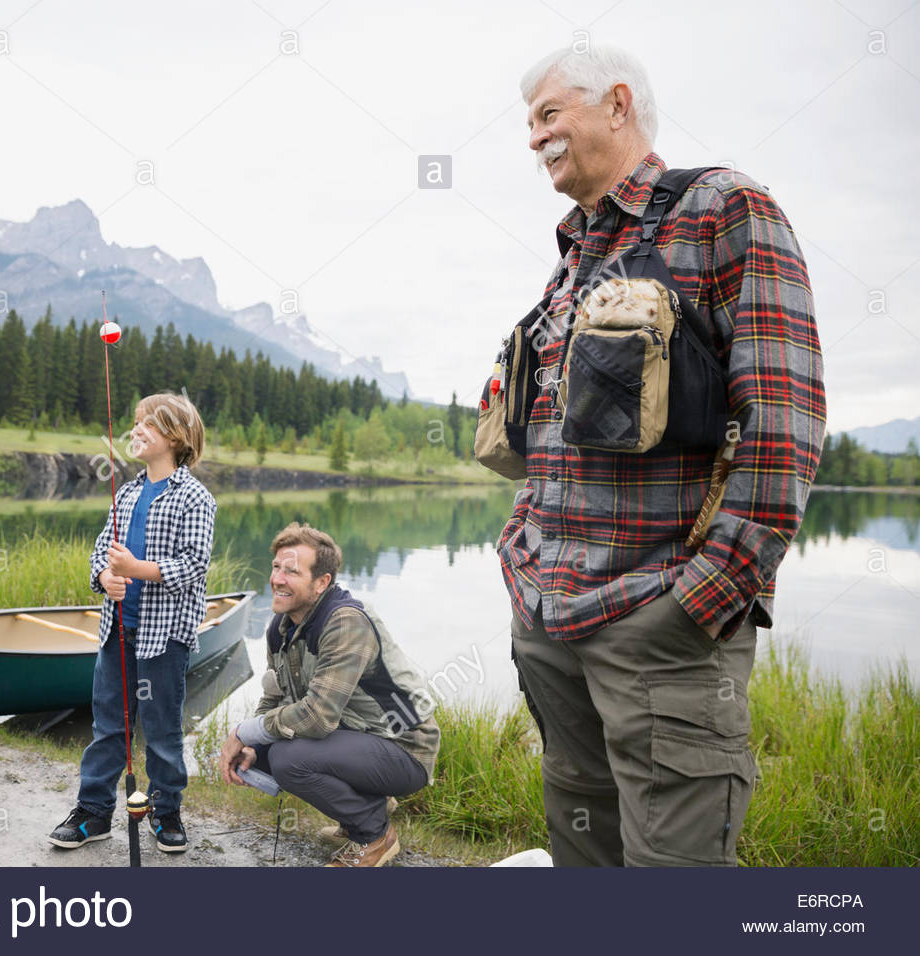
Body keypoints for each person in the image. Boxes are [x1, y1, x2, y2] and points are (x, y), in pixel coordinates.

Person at [500, 46, 825, 866]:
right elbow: (542, 444)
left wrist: (696, 605)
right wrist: (521, 561)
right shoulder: (569, 265)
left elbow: (783, 430)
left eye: (547, 114)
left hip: (659, 628)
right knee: (584, 864)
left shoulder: (724, 209)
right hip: (550, 623)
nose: (533, 136)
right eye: (528, 121)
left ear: (617, 104)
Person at [49, 391, 215, 854]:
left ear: (177, 437)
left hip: (165, 639)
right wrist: (105, 576)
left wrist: (136, 569)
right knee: (109, 728)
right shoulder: (125, 492)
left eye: (148, 424)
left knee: (162, 731)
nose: (135, 431)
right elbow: (101, 552)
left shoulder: (195, 498)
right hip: (117, 634)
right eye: (134, 423)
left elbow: (192, 566)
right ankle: (93, 813)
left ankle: (166, 814)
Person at [219, 523, 440, 867]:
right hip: (357, 737)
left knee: (289, 759)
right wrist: (249, 740)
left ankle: (373, 836)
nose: (277, 579)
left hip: (404, 748)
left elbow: (317, 716)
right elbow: (276, 697)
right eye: (276, 567)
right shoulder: (281, 626)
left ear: (321, 582)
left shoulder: (345, 622)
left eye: (291, 571)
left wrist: (244, 731)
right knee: (261, 752)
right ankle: (362, 814)